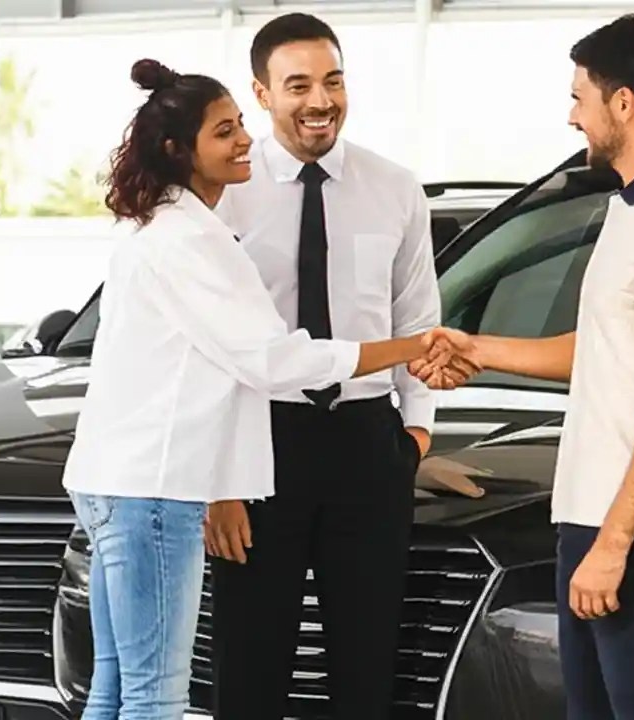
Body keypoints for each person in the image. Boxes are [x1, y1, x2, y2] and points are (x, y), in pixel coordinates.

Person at [60, 58, 446, 720]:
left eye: (239, 124)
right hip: (156, 488)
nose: (244, 139)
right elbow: (271, 362)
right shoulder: (193, 241)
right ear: (180, 151)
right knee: (154, 697)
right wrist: (412, 350)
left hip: (119, 479)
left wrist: (413, 428)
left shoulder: (160, 225)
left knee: (118, 688)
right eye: (224, 131)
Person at [414, 14, 634, 720]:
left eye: (579, 99)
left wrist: (617, 541)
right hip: (598, 515)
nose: (572, 118)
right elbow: (602, 350)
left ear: (623, 103)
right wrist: (479, 348)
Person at [203, 12, 441, 720]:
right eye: (298, 84)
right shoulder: (224, 195)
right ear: (261, 93)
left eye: (333, 80)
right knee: (250, 667)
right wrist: (217, 478)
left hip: (369, 445)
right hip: (257, 443)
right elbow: (207, 345)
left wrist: (415, 437)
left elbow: (416, 321)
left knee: (368, 671)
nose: (320, 100)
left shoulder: (395, 187)